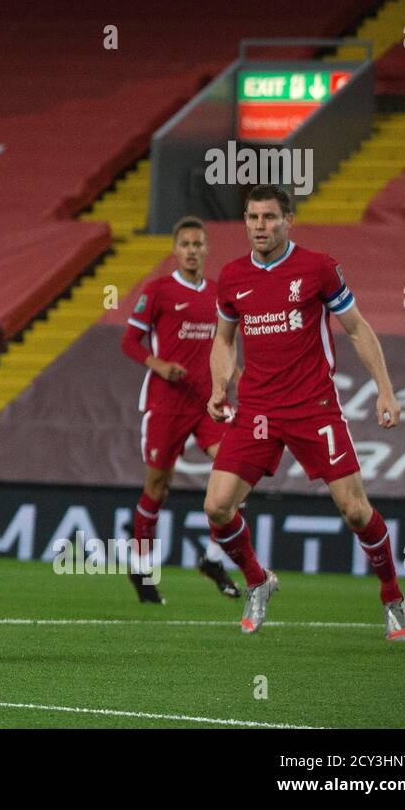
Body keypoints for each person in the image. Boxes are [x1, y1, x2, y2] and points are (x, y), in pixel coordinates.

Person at [205, 184, 405, 639]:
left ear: (288, 220)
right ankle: (258, 580)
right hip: (257, 407)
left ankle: (392, 594)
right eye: (253, 217)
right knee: (218, 507)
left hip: (312, 406)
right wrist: (220, 385)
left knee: (355, 511)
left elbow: (357, 330)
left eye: (270, 218)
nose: (260, 226)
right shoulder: (233, 277)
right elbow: (223, 340)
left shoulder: (318, 268)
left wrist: (385, 391)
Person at [120, 216, 239, 603]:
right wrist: (159, 365)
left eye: (197, 244)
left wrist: (235, 375)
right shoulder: (158, 291)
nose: (191, 250)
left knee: (234, 471)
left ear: (206, 249)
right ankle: (141, 568)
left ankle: (214, 557)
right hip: (166, 402)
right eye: (184, 244)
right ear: (175, 250)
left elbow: (226, 345)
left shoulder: (220, 295)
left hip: (209, 403)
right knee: (158, 487)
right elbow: (130, 341)